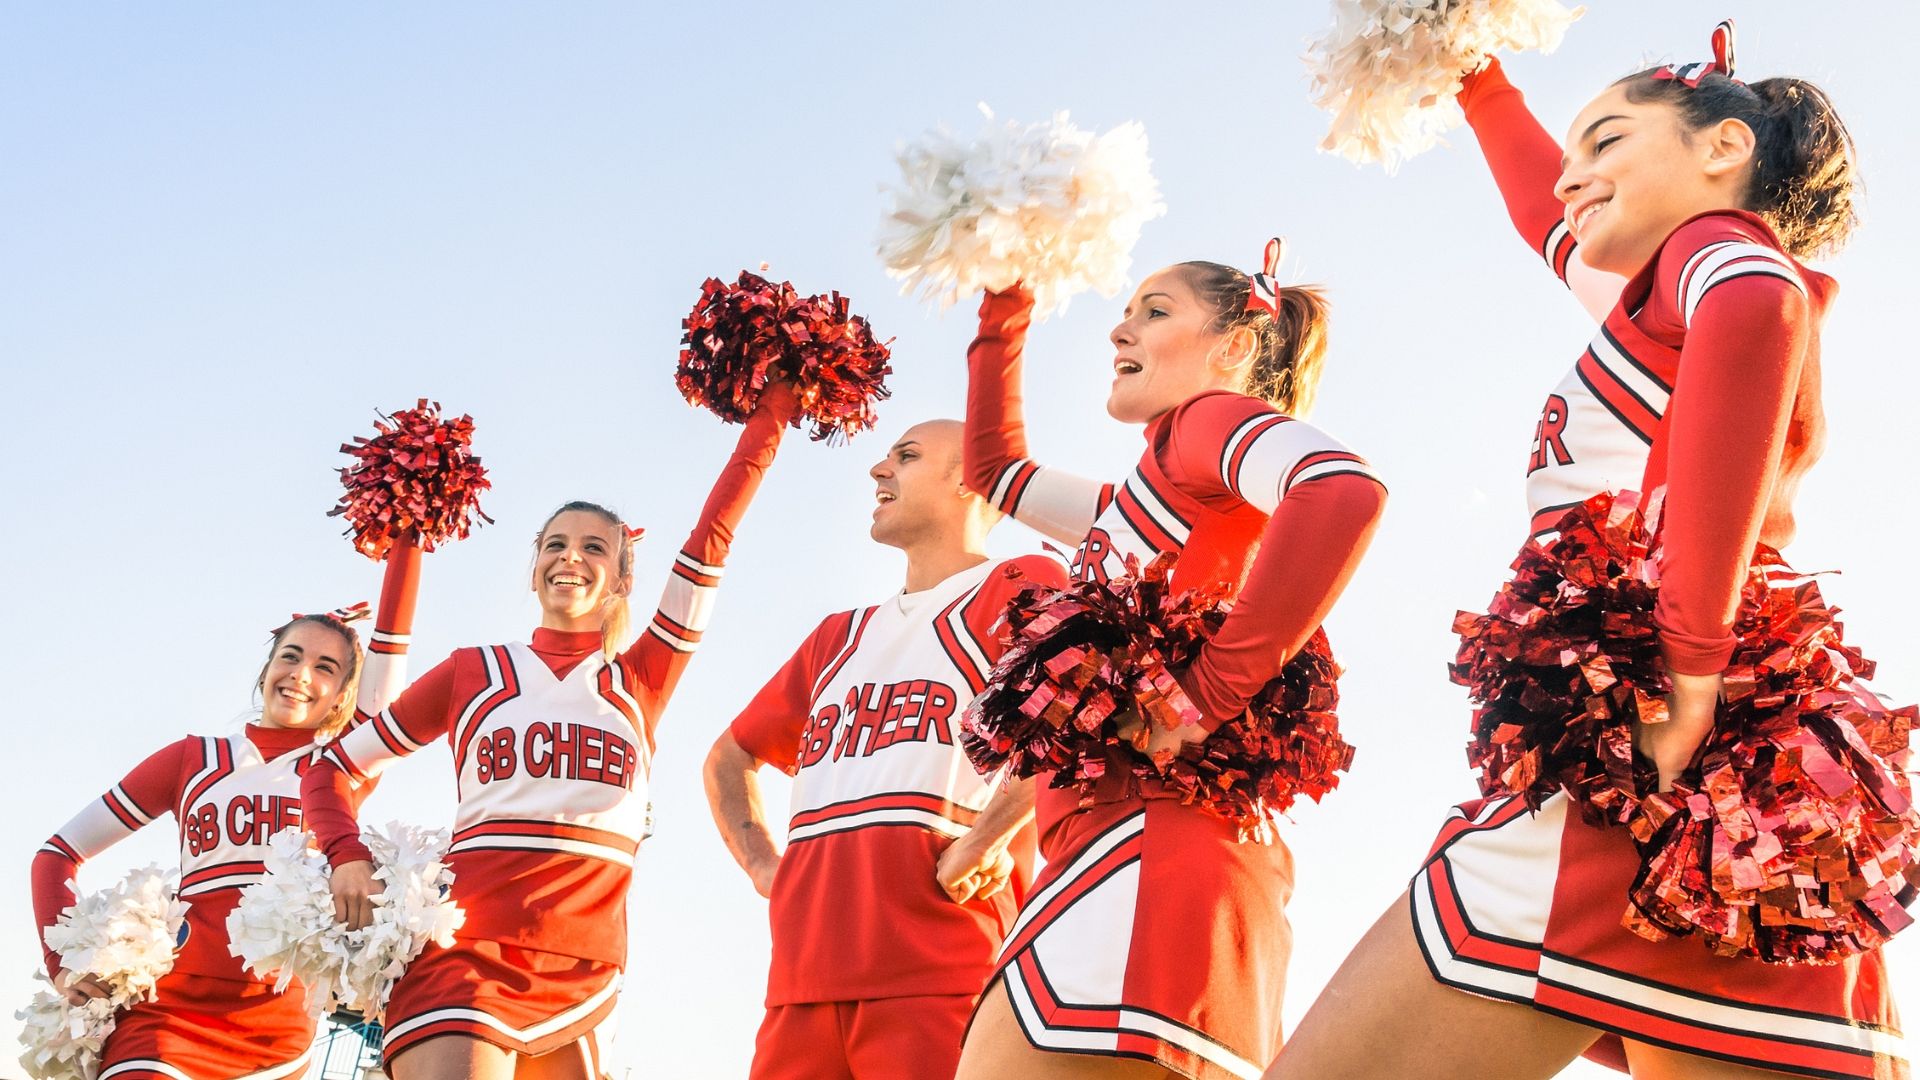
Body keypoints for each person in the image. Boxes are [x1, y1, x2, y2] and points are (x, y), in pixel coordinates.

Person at [1268, 26, 1906, 1080]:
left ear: (1724, 149)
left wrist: (1686, 668)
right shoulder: (1653, 299)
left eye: (1605, 141)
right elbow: (1544, 210)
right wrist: (1470, 71)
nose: (1572, 176)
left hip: (1652, 755)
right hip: (1734, 801)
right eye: (1570, 156)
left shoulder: (1719, 250)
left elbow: (1760, 298)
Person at [951, 244, 1388, 1080]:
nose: (1120, 329)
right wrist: (1005, 296)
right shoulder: (1147, 494)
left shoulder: (1201, 424)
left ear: (1234, 346)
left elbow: (1340, 487)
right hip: (1137, 854)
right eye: (1127, 312)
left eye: (1155, 312)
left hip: (1147, 853)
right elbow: (995, 474)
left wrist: (1204, 696)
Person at [300, 386, 798, 1079]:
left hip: (586, 970)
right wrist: (345, 853)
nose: (572, 557)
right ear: (533, 567)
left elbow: (712, 537)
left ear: (623, 580)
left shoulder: (640, 680)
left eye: (595, 548)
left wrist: (775, 406)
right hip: (465, 952)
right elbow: (329, 768)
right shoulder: (473, 672)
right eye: (556, 545)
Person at [704, 418, 1068, 1080]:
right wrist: (764, 866)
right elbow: (728, 757)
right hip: (800, 982)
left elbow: (1077, 702)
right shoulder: (837, 637)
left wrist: (986, 838)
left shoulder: (1019, 582)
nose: (879, 468)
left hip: (943, 970)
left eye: (907, 455)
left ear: (970, 479)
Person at [31, 544, 422, 1080]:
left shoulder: (341, 764)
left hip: (273, 1030)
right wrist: (63, 967)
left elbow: (392, 648)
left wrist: (409, 534)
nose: (301, 675)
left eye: (324, 667)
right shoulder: (192, 759)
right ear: (266, 669)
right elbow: (56, 854)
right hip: (163, 1015)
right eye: (290, 657)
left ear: (341, 696)